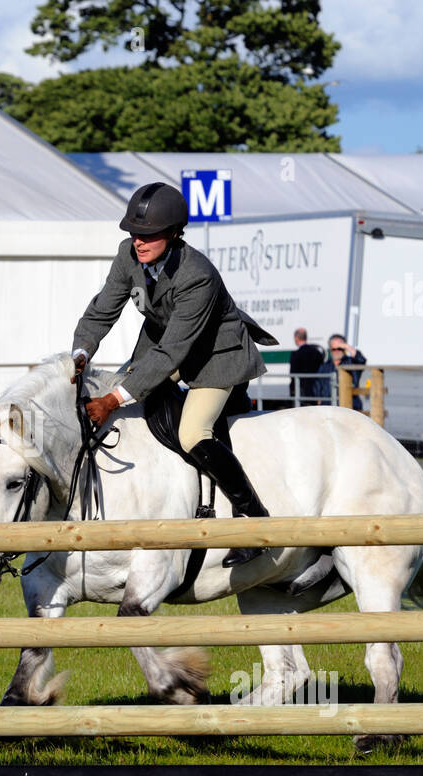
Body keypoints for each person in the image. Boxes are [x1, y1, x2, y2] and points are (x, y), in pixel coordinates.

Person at [71, 181, 279, 568]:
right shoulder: (127, 256)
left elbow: (172, 353)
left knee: (191, 432)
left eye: (148, 235)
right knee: (125, 406)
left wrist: (113, 398)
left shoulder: (196, 274)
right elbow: (103, 309)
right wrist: (80, 354)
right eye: (135, 233)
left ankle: (253, 518)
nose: (139, 242)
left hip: (216, 354)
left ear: (173, 233)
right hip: (166, 342)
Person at [313, 334, 368, 410]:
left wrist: (346, 346)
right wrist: (319, 400)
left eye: (339, 348)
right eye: (333, 349)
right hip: (329, 408)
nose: (336, 351)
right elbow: (317, 384)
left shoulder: (352, 362)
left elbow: (362, 360)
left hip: (350, 406)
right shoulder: (324, 366)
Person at [288, 327, 325, 406]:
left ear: (296, 338)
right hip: (315, 389)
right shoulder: (317, 352)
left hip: (301, 390)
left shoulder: (296, 354)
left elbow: (292, 374)